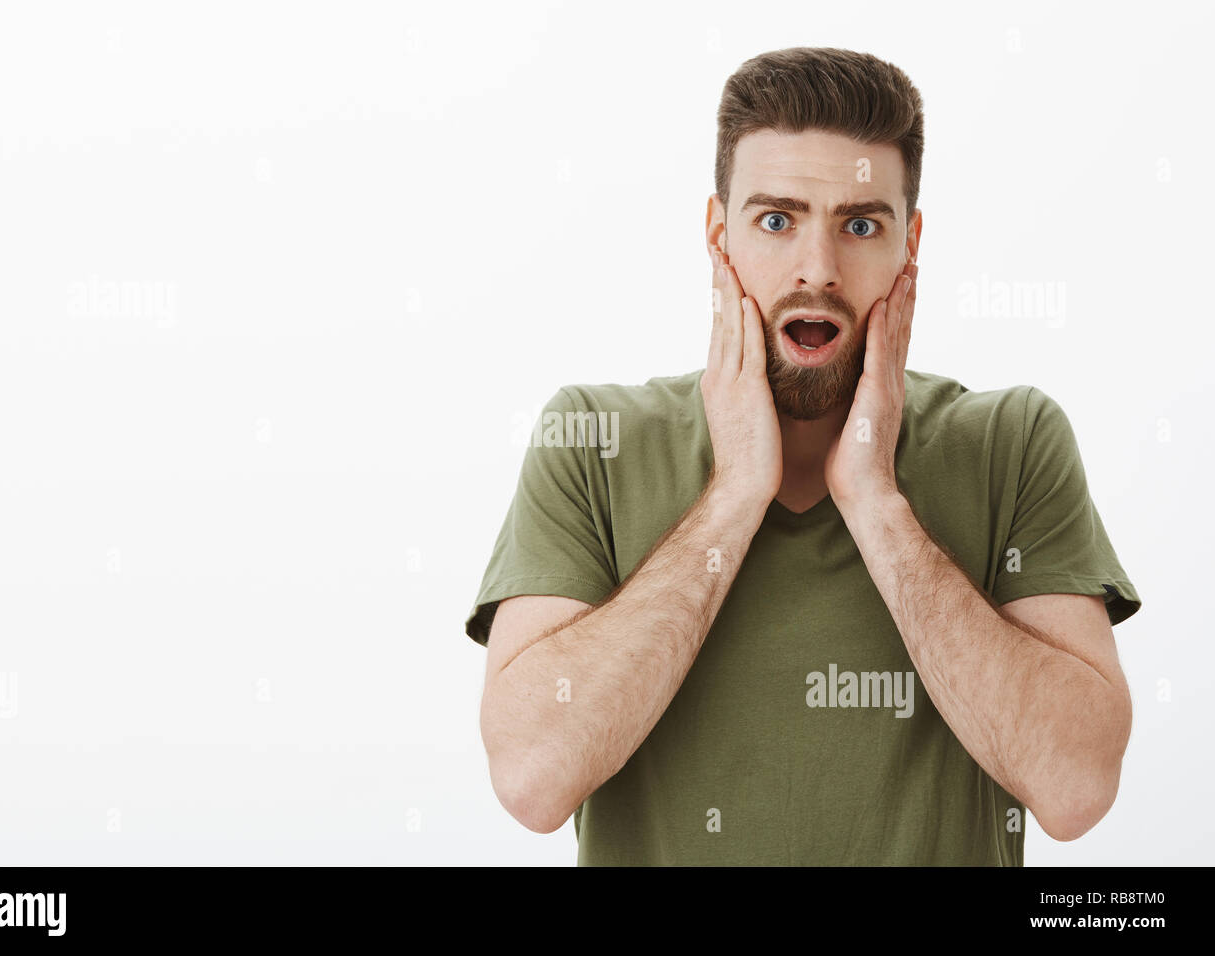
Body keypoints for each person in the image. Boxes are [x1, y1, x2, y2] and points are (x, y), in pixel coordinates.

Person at [463, 47, 1141, 865]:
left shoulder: (1013, 442)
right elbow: (531, 779)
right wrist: (734, 495)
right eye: (777, 220)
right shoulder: (593, 440)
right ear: (719, 235)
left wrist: (877, 503)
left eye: (860, 225)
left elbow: (1076, 790)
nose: (818, 270)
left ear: (909, 245)